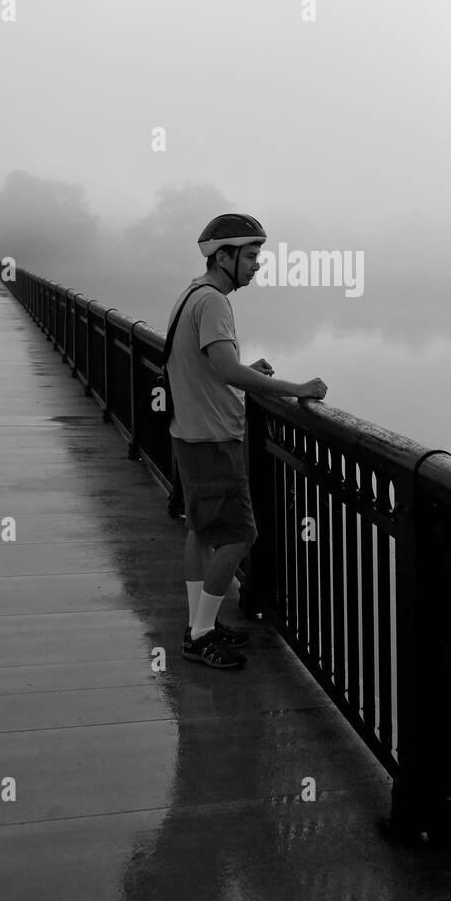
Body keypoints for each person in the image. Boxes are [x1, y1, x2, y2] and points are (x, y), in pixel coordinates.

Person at [166, 213, 328, 669]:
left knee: (200, 531)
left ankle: (200, 623)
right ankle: (199, 636)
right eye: (251, 256)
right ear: (225, 257)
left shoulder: (191, 294)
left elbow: (213, 366)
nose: (257, 265)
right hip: (214, 439)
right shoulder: (214, 301)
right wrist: (298, 388)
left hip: (189, 433)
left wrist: (244, 370)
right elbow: (222, 369)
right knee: (240, 536)